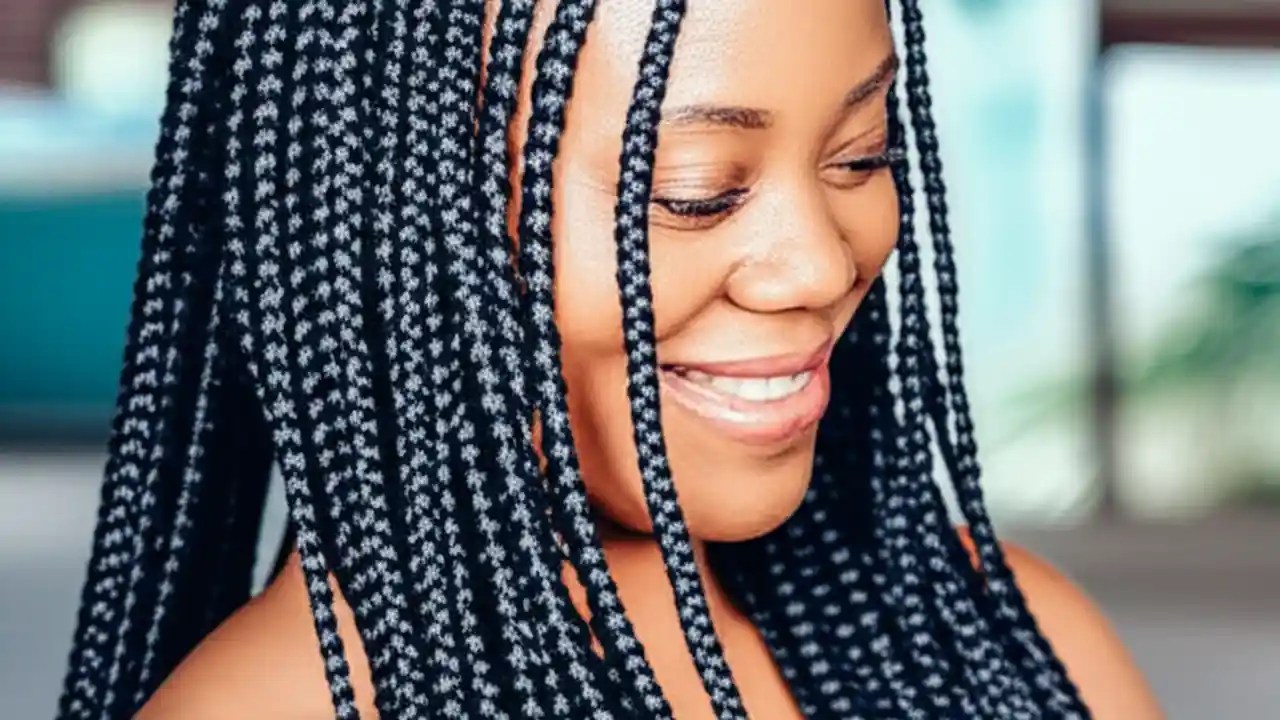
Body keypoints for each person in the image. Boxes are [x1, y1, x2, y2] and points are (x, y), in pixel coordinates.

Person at [57, 0, 1163, 718]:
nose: (817, 266)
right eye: (695, 191)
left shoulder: (994, 635)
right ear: (391, 215)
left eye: (857, 152)